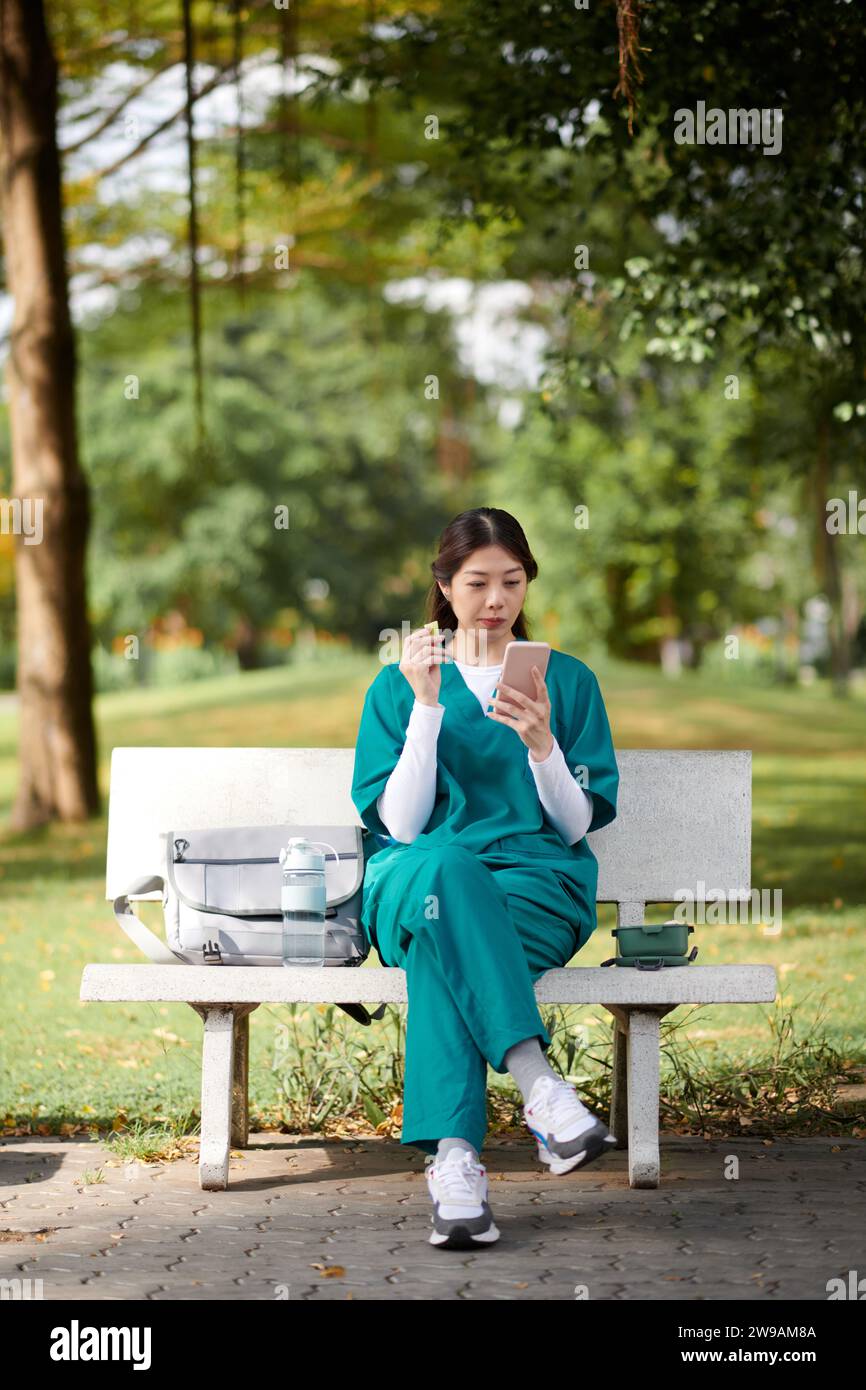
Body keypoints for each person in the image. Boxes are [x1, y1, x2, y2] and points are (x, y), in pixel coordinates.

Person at [350, 507, 619, 1250]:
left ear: (528, 581)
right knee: (446, 866)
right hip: (418, 880)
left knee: (444, 951)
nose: (496, 600)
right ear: (444, 585)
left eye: (512, 581)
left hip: (533, 888)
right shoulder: (398, 685)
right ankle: (540, 1087)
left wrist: (542, 747)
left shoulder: (567, 682)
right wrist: (427, 707)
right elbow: (403, 827)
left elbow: (574, 826)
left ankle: (456, 1167)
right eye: (477, 583)